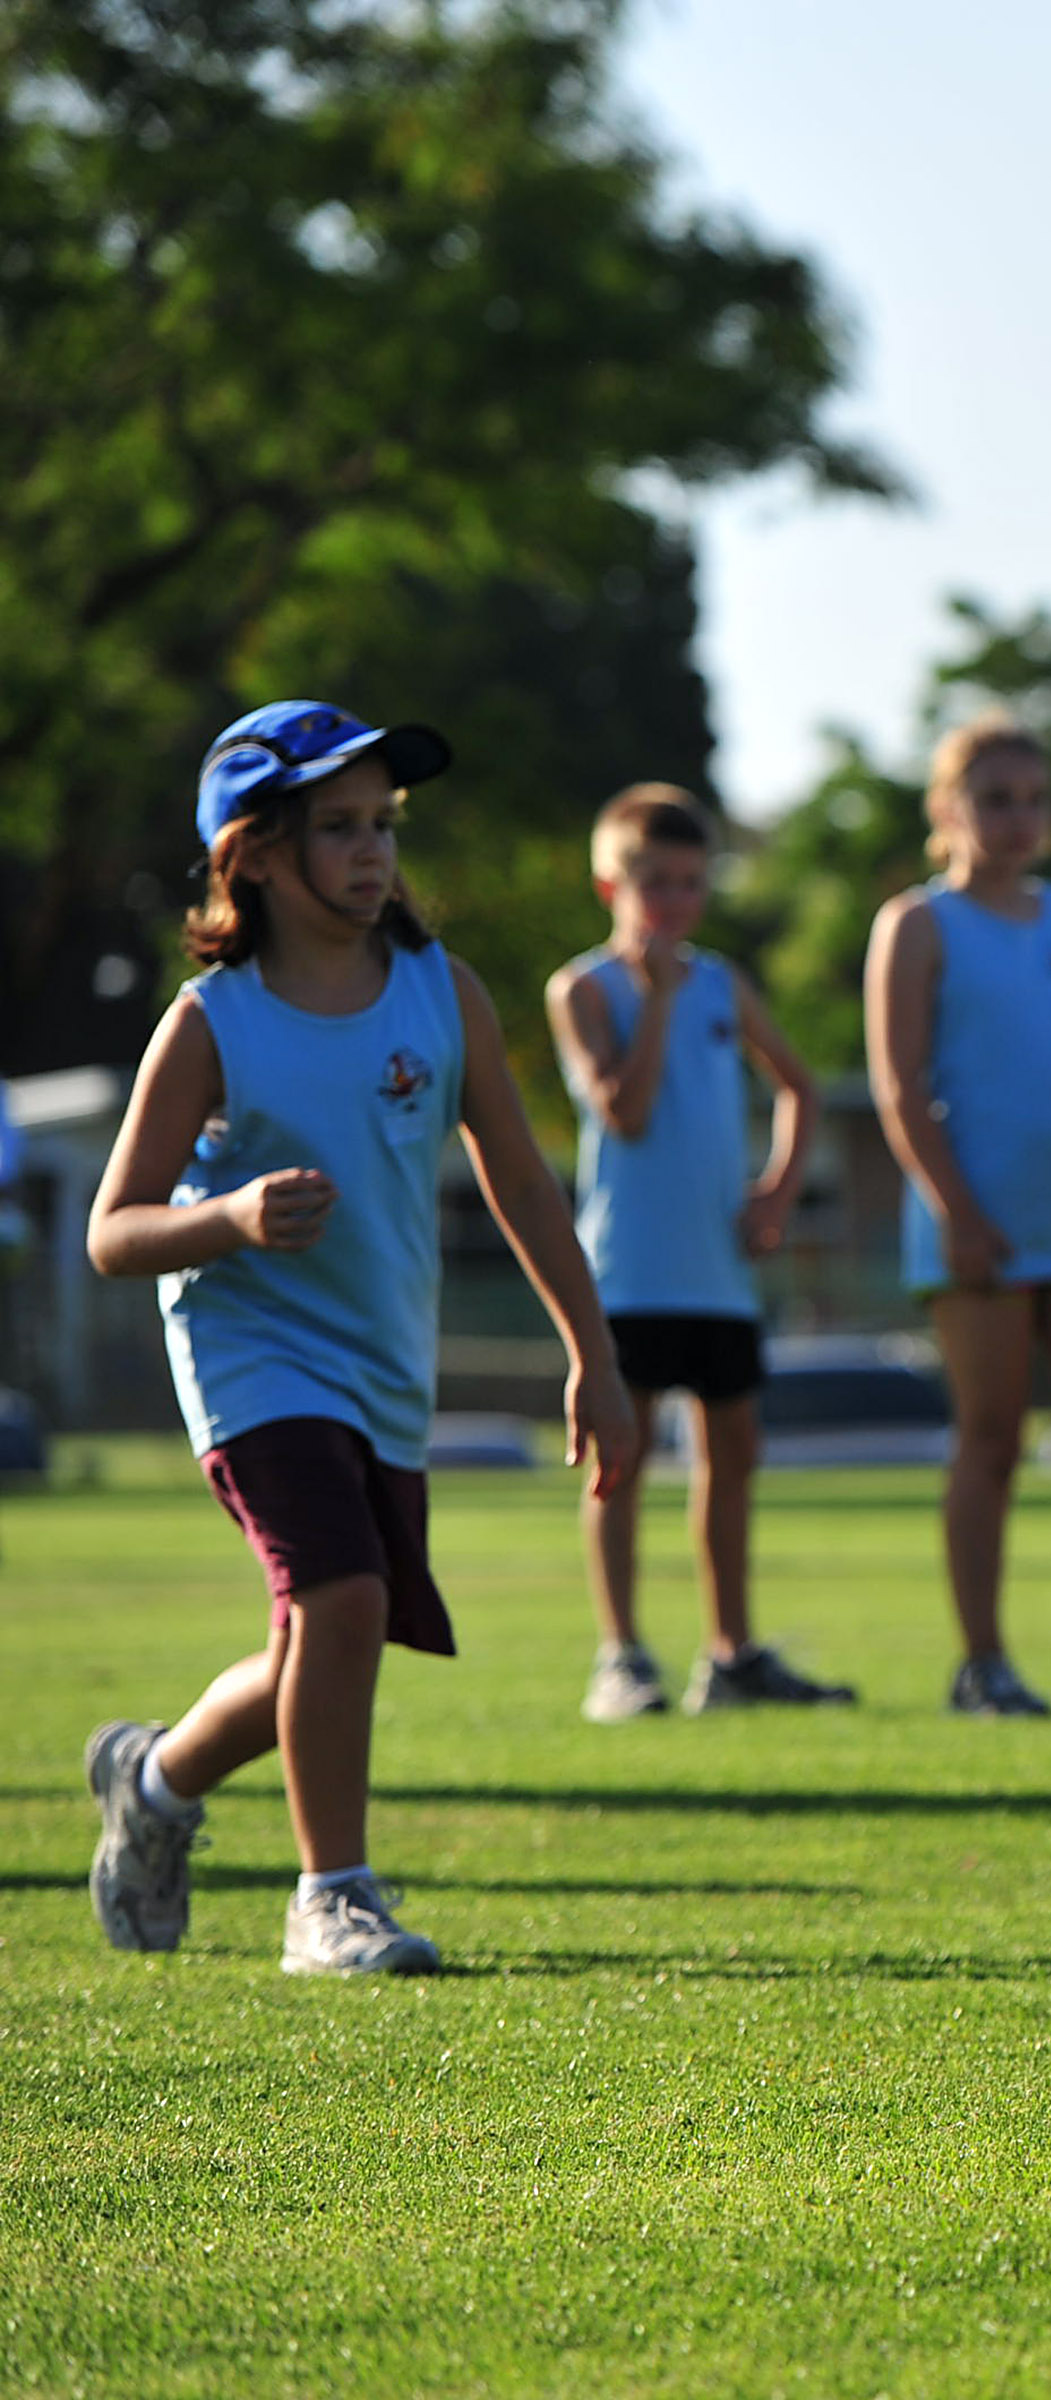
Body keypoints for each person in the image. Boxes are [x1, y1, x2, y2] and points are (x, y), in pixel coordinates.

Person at [81, 701, 641, 1975]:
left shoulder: (443, 994)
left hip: (381, 1366)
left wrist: (592, 1355)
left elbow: (522, 1176)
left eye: (383, 823)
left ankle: (156, 1781)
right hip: (251, 1363)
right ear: (256, 856)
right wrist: (224, 1216)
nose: (374, 849)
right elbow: (112, 1233)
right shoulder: (211, 1022)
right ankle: (330, 1899)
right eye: (339, 826)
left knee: (311, 1644)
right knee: (342, 1597)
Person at [863, 715, 1051, 1716]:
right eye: (995, 798)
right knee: (991, 1440)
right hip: (974, 1229)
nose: (1019, 818)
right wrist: (957, 1210)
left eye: (1035, 799)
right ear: (948, 811)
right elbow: (899, 1086)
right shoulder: (918, 923)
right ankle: (982, 1662)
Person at [549, 784, 850, 1721]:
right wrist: (659, 1004)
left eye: (691, 882)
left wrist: (776, 1192)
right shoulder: (586, 990)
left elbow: (801, 1086)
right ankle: (623, 1658)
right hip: (629, 1270)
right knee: (623, 1461)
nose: (675, 902)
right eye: (655, 882)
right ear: (612, 883)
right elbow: (624, 1113)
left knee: (733, 1458)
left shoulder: (725, 982)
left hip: (718, 1274)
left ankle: (732, 1655)